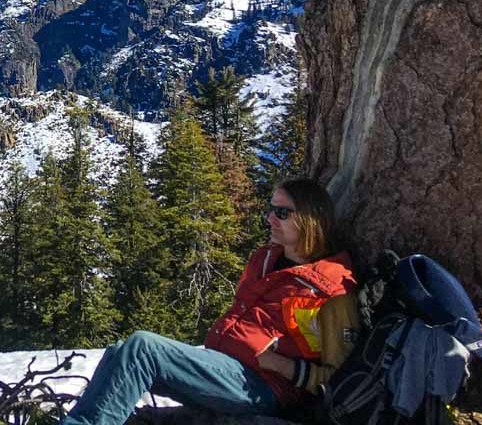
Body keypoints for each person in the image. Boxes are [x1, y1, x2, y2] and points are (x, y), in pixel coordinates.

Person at [62, 177, 359, 425]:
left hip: (262, 387)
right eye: (271, 209)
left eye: (282, 213)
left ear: (310, 219)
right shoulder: (266, 260)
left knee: (142, 349)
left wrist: (281, 366)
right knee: (120, 354)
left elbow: (338, 378)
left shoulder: (331, 291)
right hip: (227, 370)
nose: (270, 218)